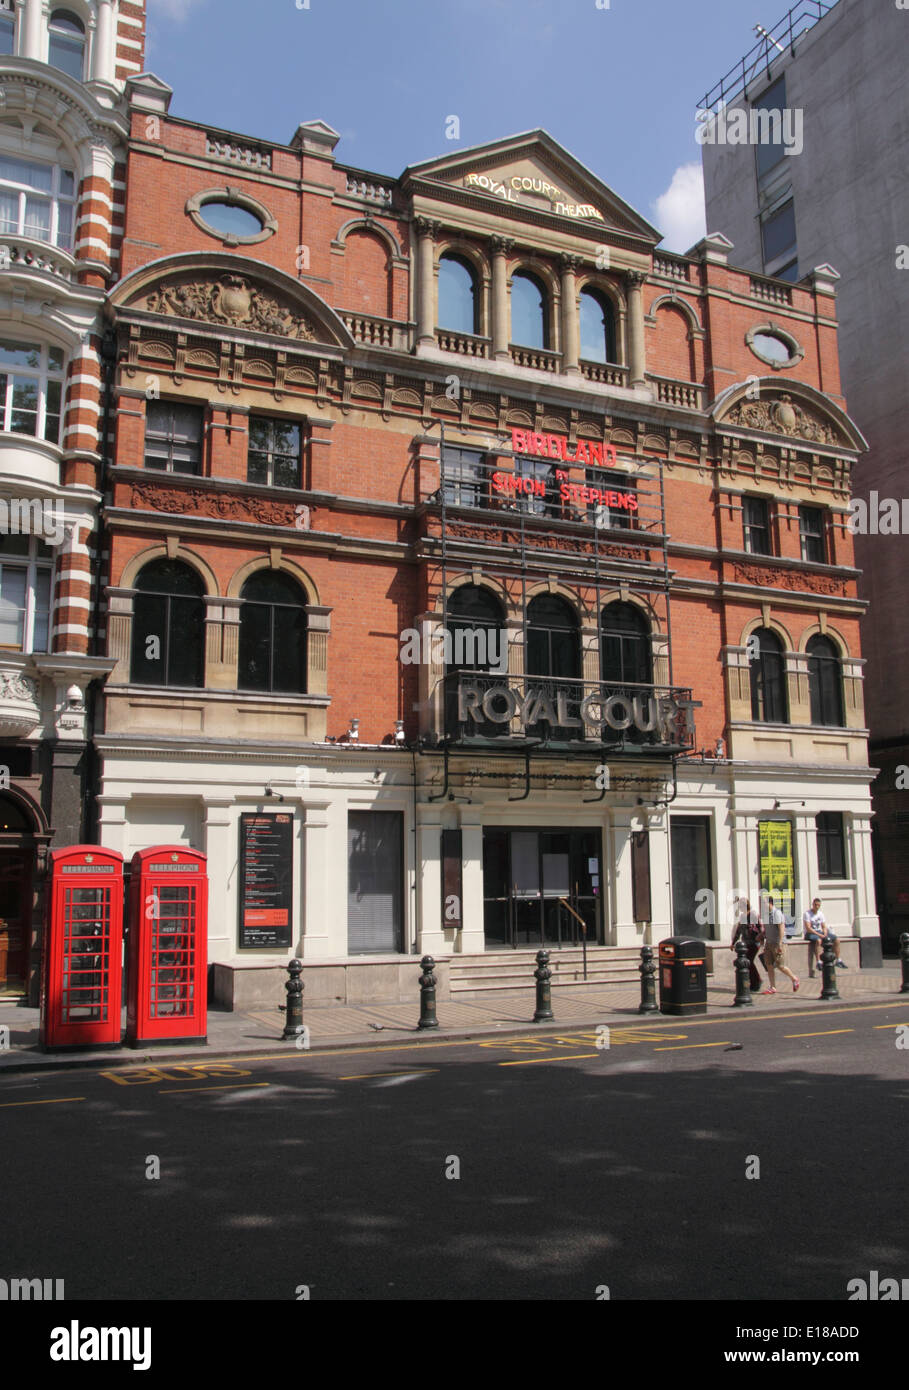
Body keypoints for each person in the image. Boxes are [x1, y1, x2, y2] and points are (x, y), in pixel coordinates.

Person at [762, 897, 799, 994]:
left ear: (770, 903)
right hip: (769, 943)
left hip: (777, 943)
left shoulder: (776, 913)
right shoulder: (765, 915)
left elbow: (781, 928)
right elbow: (766, 930)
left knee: (780, 966)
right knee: (769, 965)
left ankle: (794, 978)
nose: (762, 905)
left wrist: (780, 943)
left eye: (764, 902)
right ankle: (772, 987)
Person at [802, 896, 847, 971]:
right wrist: (820, 935)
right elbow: (808, 928)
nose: (816, 907)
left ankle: (838, 960)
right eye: (815, 905)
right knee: (818, 941)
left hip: (819, 932)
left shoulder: (820, 914)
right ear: (812, 904)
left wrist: (825, 933)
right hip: (810, 933)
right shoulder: (807, 914)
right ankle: (819, 962)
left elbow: (823, 926)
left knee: (836, 939)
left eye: (818, 905)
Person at [731, 896, 764, 991]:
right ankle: (753, 982)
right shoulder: (742, 916)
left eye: (741, 905)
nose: (740, 908)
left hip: (754, 943)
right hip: (746, 944)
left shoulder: (753, 914)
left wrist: (762, 940)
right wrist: (733, 942)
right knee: (747, 962)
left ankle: (757, 981)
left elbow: (760, 928)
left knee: (748, 961)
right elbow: (738, 931)